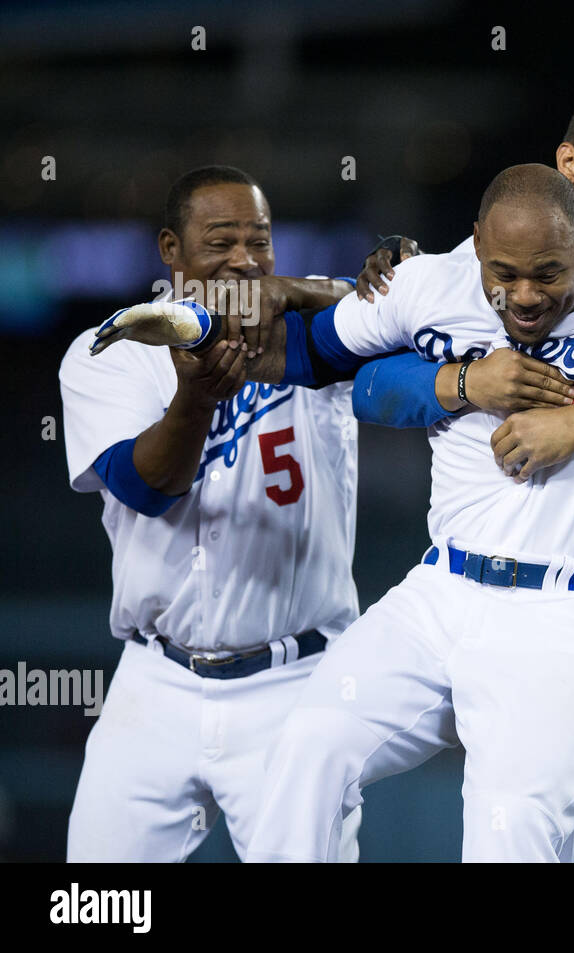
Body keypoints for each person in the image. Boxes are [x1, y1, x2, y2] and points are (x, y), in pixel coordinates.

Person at [166, 163, 574, 861]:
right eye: (504, 272)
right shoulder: (438, 282)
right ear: (475, 246)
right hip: (439, 592)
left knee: (506, 835)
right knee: (308, 748)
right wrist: (199, 329)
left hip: (565, 613)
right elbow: (315, 353)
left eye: (546, 274)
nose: (522, 296)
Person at [58, 165, 361, 861]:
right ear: (171, 249)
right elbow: (145, 488)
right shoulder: (118, 350)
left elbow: (398, 313)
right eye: (221, 240)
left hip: (294, 680)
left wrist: (298, 292)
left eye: (260, 241)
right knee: (97, 902)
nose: (245, 259)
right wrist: (194, 402)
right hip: (155, 682)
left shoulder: (312, 337)